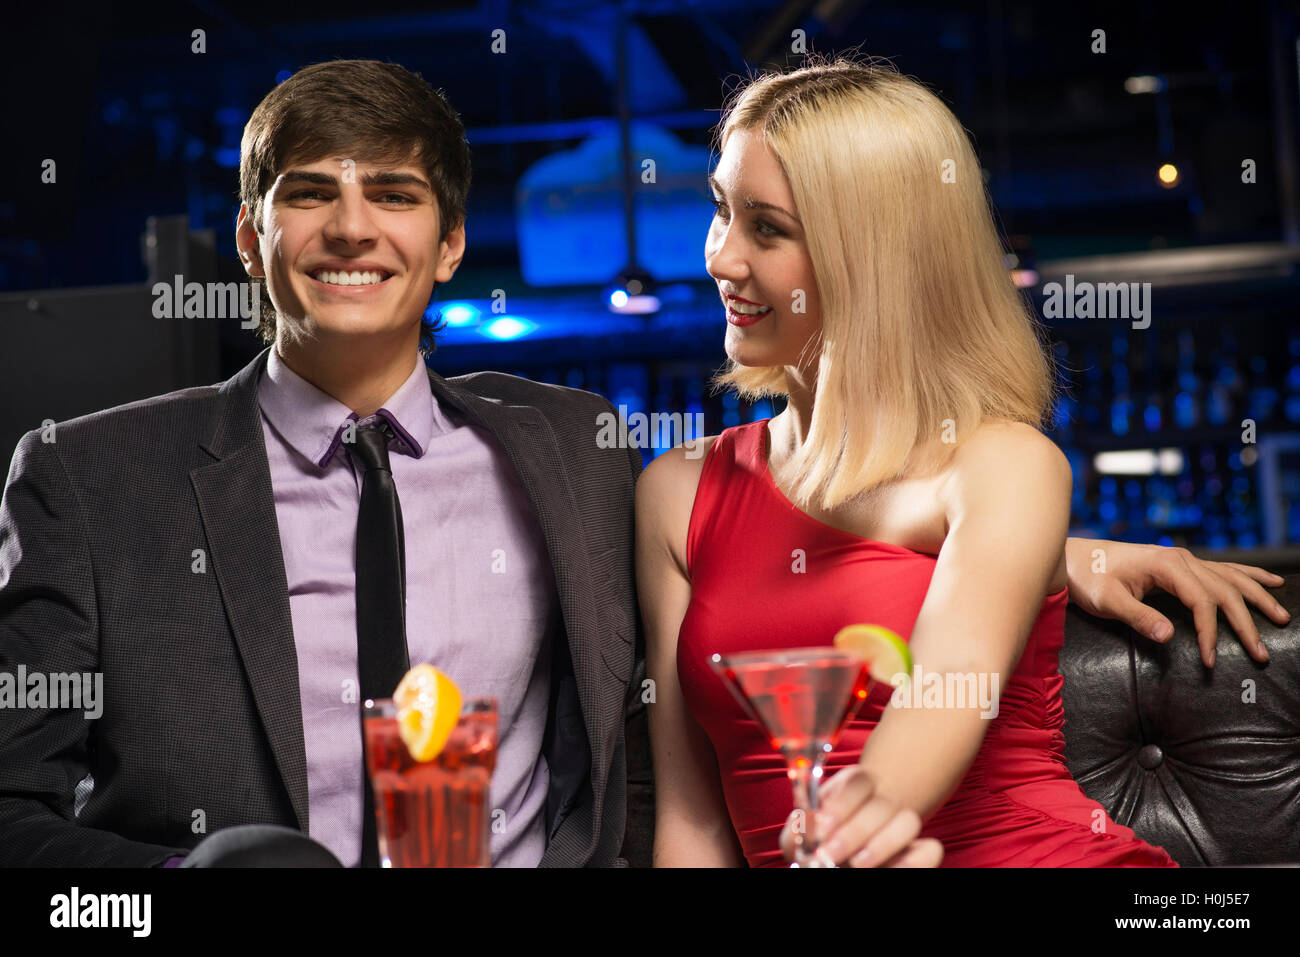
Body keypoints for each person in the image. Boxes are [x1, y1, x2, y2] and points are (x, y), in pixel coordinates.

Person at [0, 58, 1282, 869]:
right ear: (246, 235)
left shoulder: (554, 451)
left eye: (394, 194)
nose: (350, 229)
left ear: (450, 247)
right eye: (307, 198)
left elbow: (915, 631)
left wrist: (1053, 552)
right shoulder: (90, 479)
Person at [632, 56, 1290, 868]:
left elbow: (940, 704)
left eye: (767, 228)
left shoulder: (1004, 466)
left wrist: (853, 822)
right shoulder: (677, 492)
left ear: (870, 257)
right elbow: (692, 825)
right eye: (721, 210)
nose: (721, 258)